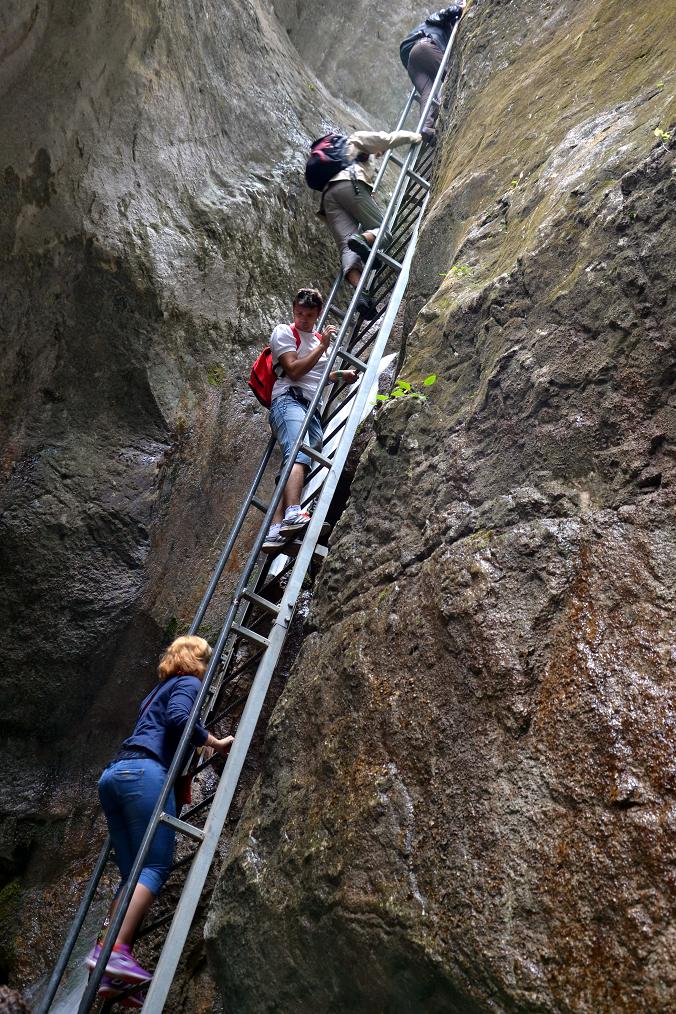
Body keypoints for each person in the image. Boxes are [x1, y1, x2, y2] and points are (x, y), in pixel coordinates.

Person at [85, 636, 233, 1003]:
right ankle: (117, 951)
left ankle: (105, 954)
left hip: (114, 776)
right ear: (197, 659)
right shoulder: (189, 682)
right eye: (207, 659)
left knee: (133, 872)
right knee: (155, 866)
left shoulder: (156, 691)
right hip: (145, 775)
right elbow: (180, 718)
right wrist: (214, 742)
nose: (208, 666)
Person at [262, 288, 358, 553]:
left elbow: (318, 375)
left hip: (311, 407)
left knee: (299, 459)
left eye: (309, 315)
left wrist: (340, 374)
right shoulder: (284, 332)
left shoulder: (317, 340)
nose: (302, 319)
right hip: (288, 399)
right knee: (296, 453)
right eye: (299, 313)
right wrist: (324, 346)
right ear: (293, 311)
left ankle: (275, 530)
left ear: (317, 315)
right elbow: (294, 371)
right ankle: (293, 512)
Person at [319, 128, 422, 317]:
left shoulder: (338, 160)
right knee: (383, 232)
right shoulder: (356, 139)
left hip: (328, 199)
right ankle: (362, 240)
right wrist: (416, 137)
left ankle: (361, 294)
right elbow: (387, 139)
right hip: (350, 185)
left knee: (346, 248)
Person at [400, 3, 466, 144]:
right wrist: (459, 8)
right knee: (452, 77)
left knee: (428, 93)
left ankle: (426, 128)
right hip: (425, 46)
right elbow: (439, 15)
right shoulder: (440, 22)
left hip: (412, 62)